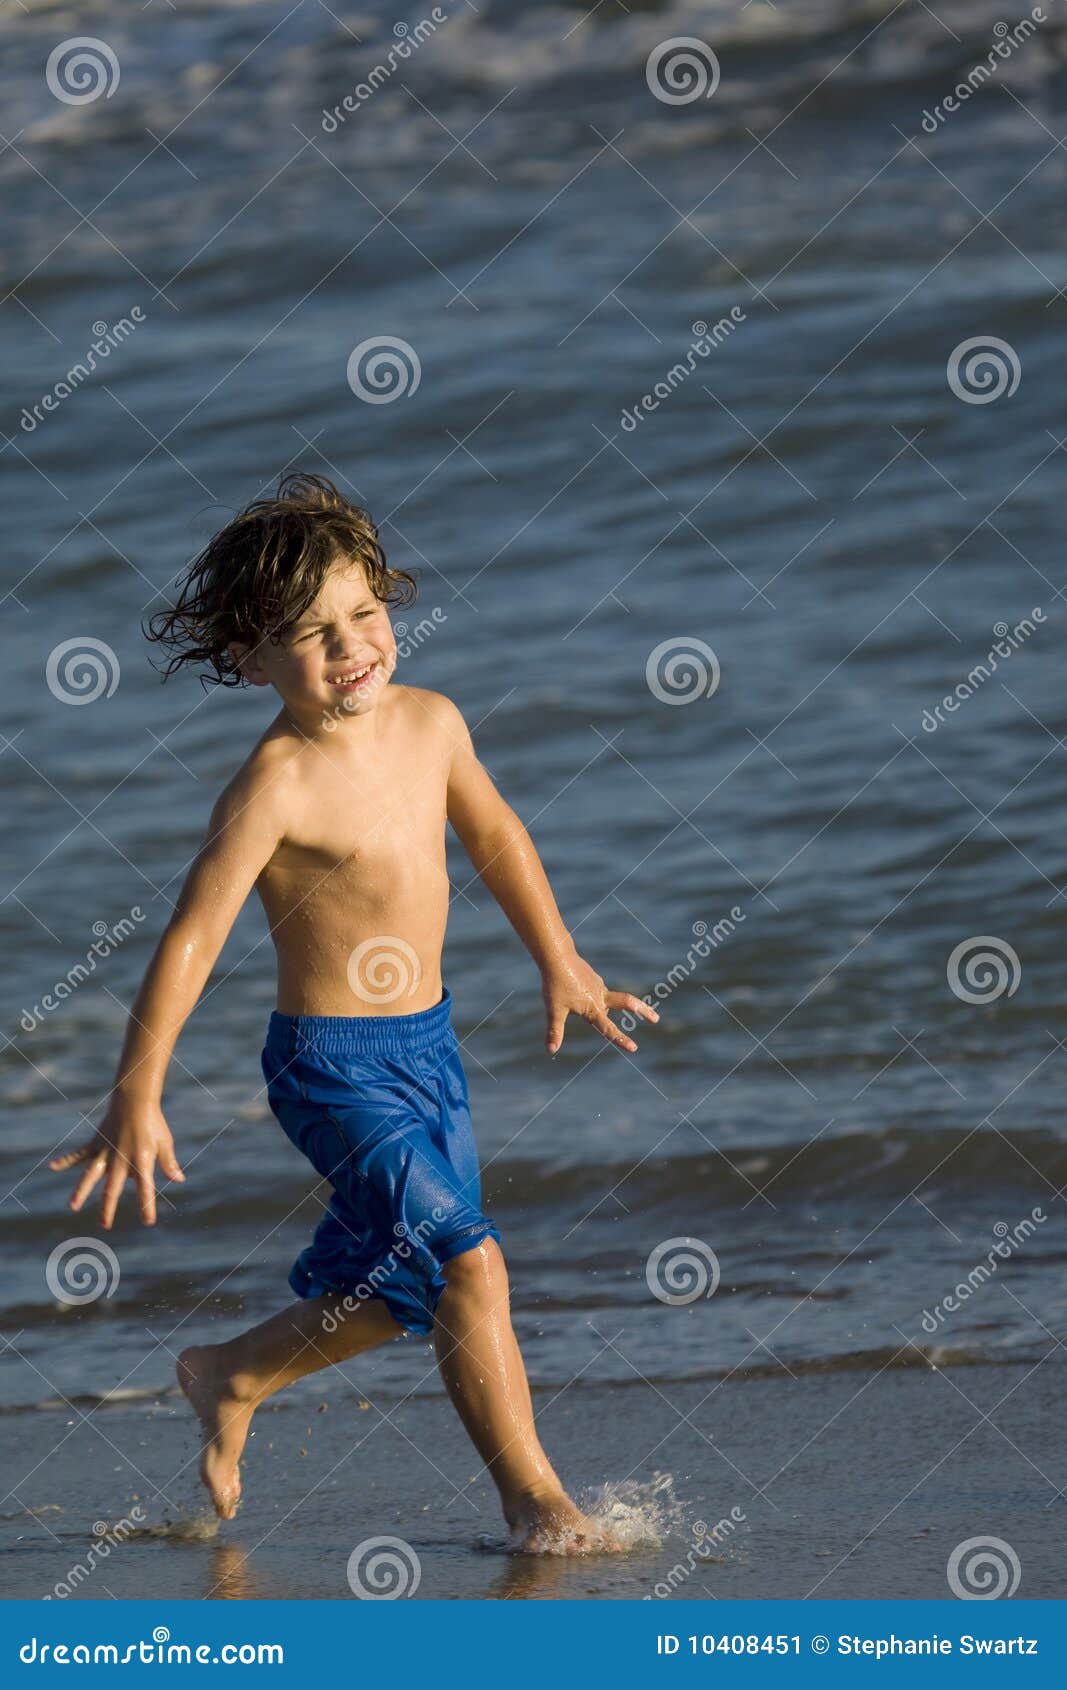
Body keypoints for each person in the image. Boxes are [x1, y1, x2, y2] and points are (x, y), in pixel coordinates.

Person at [49, 472, 660, 1554]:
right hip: (328, 1067)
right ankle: (538, 1507)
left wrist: (559, 958)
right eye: (311, 634)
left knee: (407, 1287)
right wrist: (136, 1088)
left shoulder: (432, 724)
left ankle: (231, 1373)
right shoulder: (274, 784)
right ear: (248, 658)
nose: (351, 647)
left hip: (429, 1044)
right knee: (470, 1261)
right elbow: (191, 934)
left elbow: (498, 835)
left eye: (364, 614)